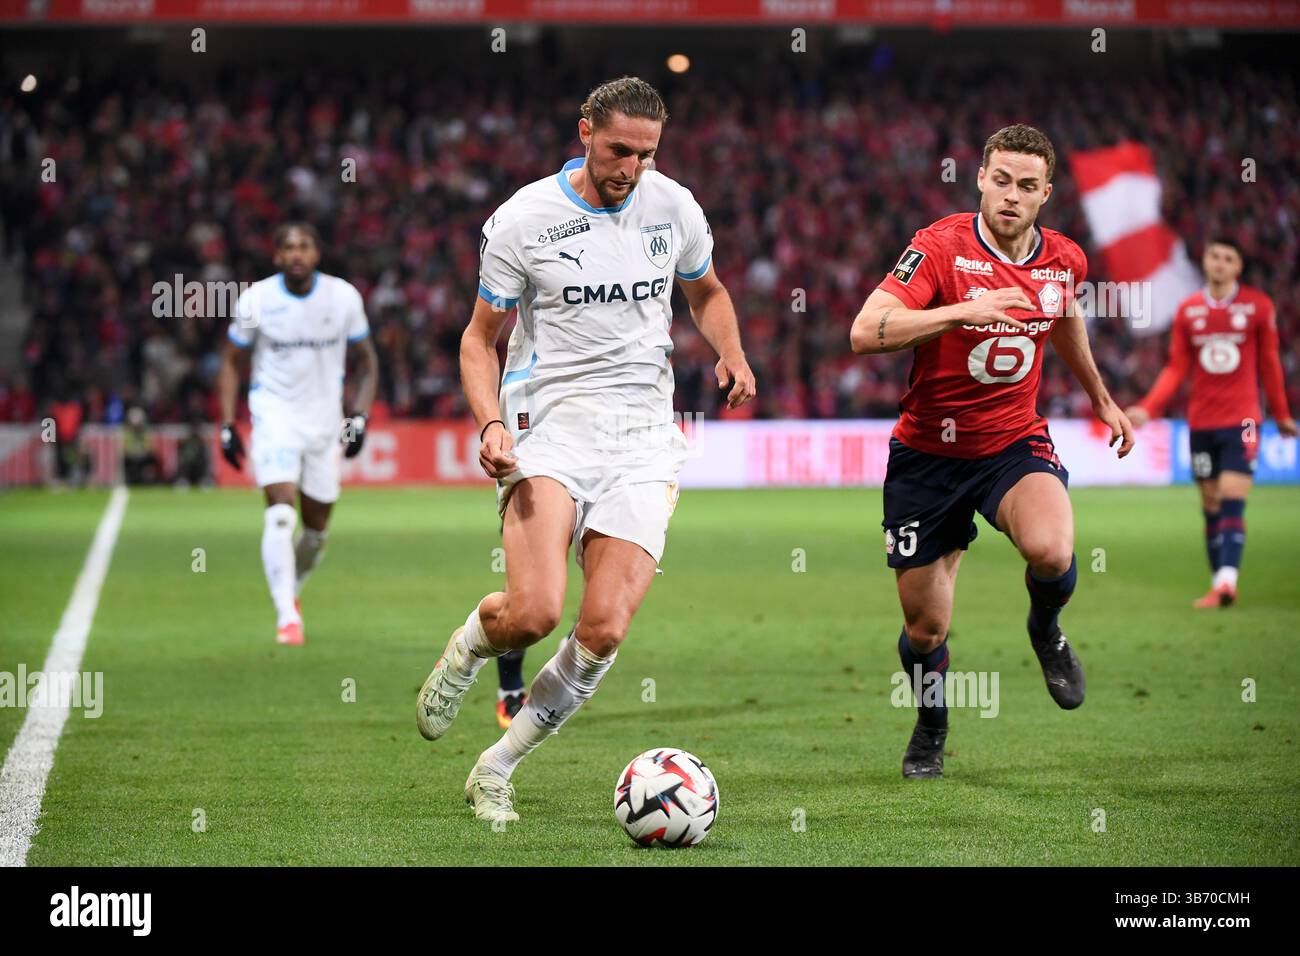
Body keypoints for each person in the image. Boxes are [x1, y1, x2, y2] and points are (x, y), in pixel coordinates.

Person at [415, 76, 757, 823]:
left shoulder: (674, 205)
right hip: (549, 427)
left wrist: (729, 351)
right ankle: (474, 642)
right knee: (534, 613)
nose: (630, 167)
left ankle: (496, 768)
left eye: (646, 154)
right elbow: (479, 339)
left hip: (642, 438)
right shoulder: (524, 219)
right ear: (584, 133)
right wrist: (488, 423)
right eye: (618, 149)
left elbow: (707, 292)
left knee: (601, 629)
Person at [849, 124, 1134, 779]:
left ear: (1046, 194)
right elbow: (866, 331)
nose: (1010, 195)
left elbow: (1062, 318)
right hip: (927, 457)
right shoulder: (938, 249)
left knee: (1053, 549)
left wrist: (1099, 396)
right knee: (925, 631)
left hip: (1012, 443)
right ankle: (932, 725)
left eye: (1026, 186)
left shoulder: (1065, 260)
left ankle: (1045, 628)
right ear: (980, 178)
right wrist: (959, 313)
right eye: (1000, 180)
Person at [216, 222, 378, 645]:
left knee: (316, 530)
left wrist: (359, 415)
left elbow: (367, 361)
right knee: (282, 512)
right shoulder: (257, 300)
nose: (296, 255)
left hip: (324, 426)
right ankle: (287, 616)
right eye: (288, 248)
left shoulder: (343, 297)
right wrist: (229, 422)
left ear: (317, 254)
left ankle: (292, 590)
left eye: (304, 246)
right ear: (276, 257)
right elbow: (231, 361)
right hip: (274, 419)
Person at [1126, 238, 1296, 607]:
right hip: (1201, 422)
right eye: (1214, 256)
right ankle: (1219, 581)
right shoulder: (1188, 311)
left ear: (1238, 268)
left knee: (1233, 497)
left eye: (1228, 258)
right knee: (1210, 502)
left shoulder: (1258, 307)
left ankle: (1226, 583)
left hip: (1244, 420)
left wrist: (1281, 415)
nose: (1219, 263)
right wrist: (1149, 408)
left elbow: (1269, 364)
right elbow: (1176, 367)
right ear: (1205, 262)